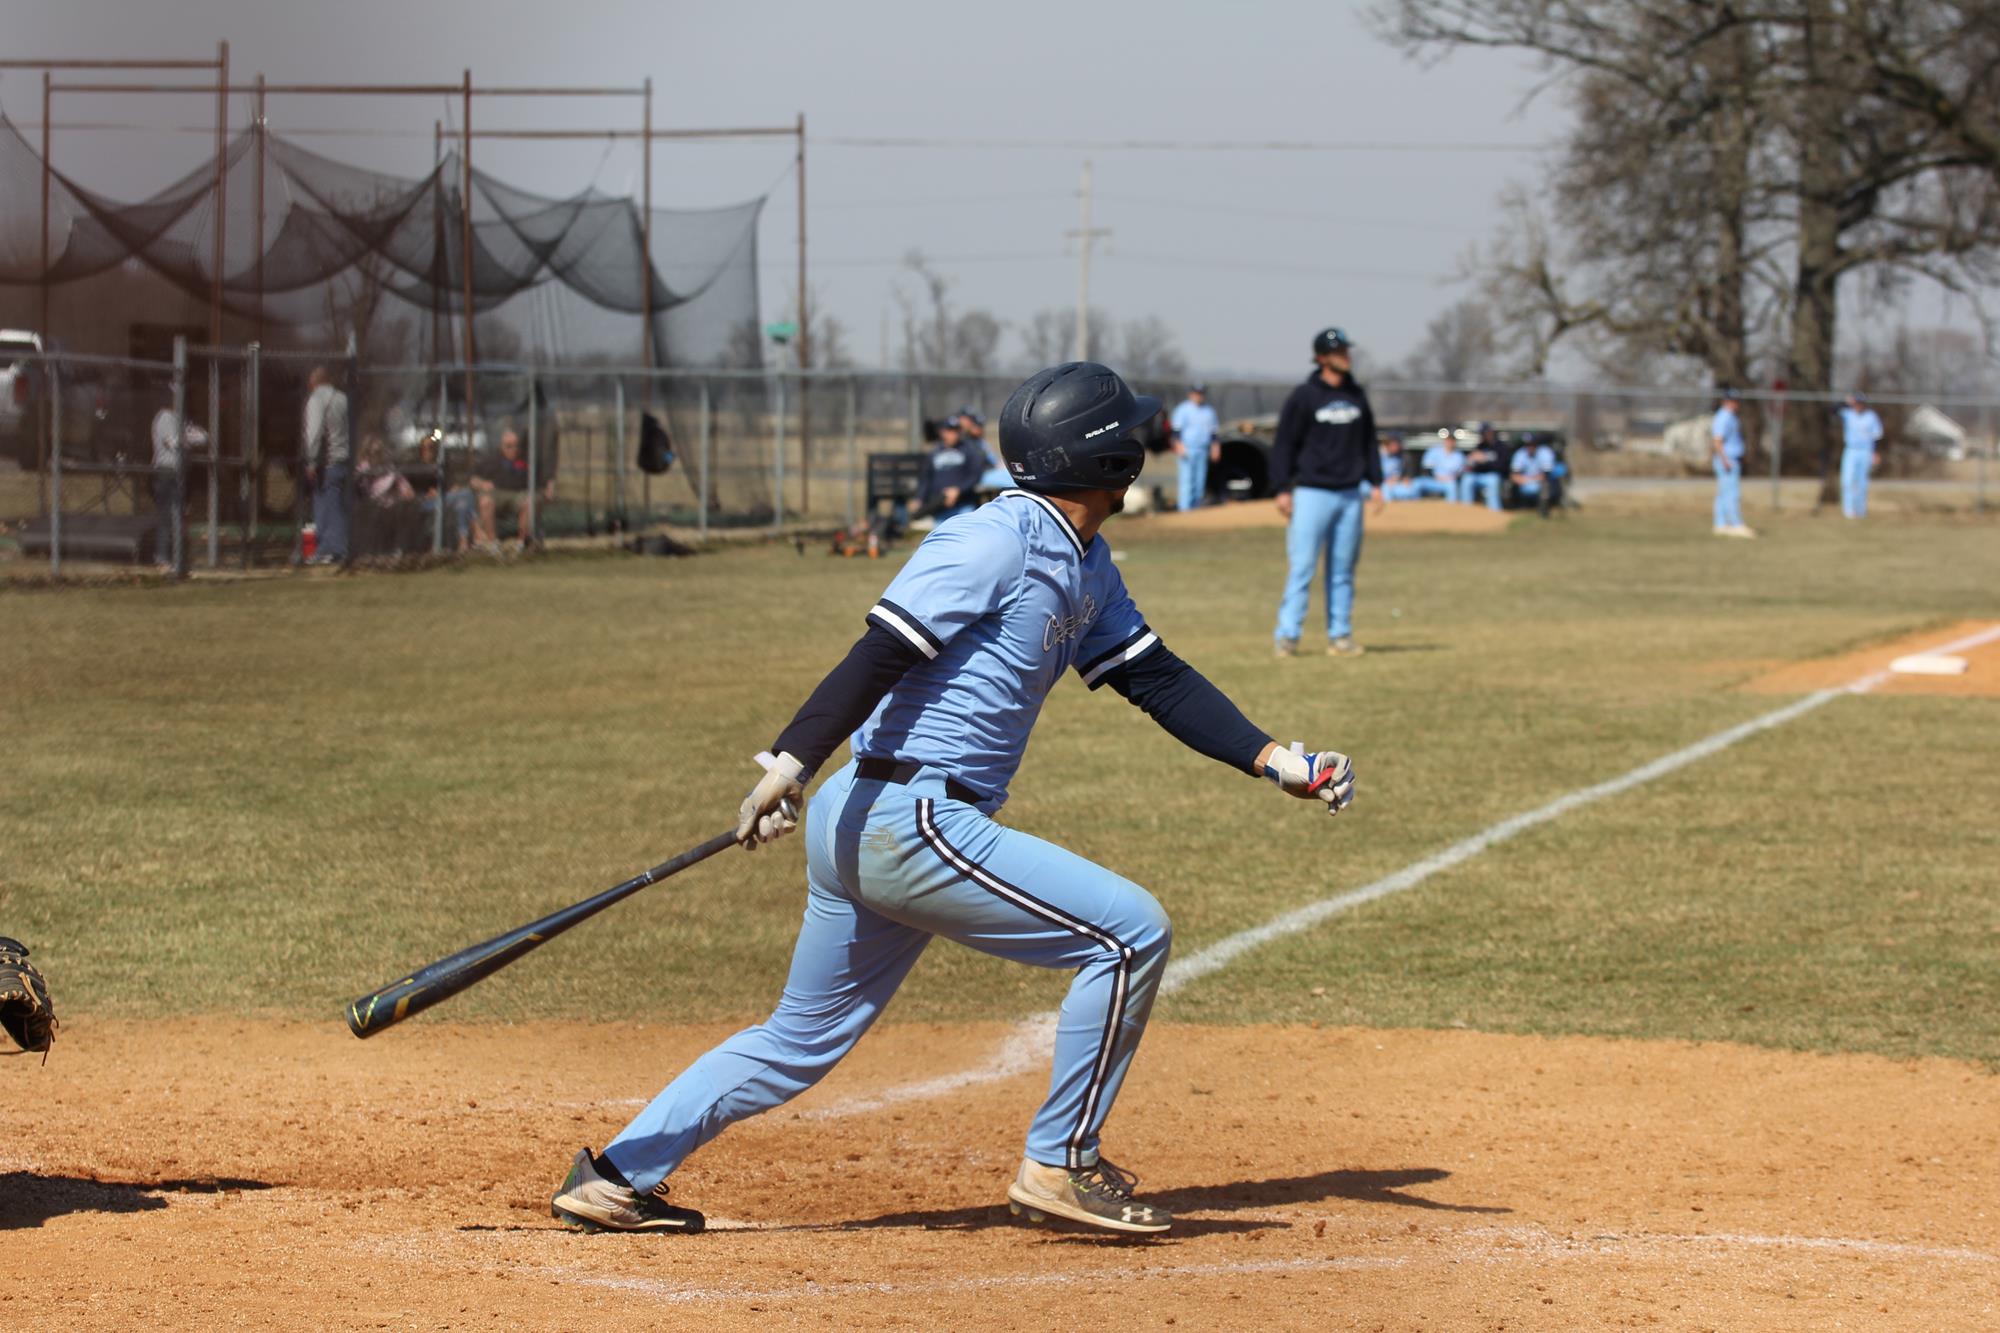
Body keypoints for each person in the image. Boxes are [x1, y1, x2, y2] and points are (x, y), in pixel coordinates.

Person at [548, 361, 1358, 1238]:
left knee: (797, 1039)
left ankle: (613, 1176)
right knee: (1131, 935)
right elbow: (882, 649)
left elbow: (1154, 676)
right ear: (1108, 457)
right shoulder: (995, 539)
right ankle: (1062, 1163)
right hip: (910, 819)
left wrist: (1274, 758)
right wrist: (791, 759)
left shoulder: (1086, 561)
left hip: (883, 816)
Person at [1270, 326, 1383, 658]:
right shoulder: (1304, 396)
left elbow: (1369, 441)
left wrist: (1376, 482)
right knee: (1302, 567)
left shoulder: (1355, 394)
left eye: (1346, 350)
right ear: (1321, 358)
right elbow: (1284, 443)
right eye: (1338, 352)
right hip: (1311, 492)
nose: (1346, 356)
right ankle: (1288, 636)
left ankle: (1340, 635)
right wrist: (1282, 487)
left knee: (1343, 570)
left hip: (1350, 493)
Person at [301, 366, 353, 565]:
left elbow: (314, 433)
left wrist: (311, 461)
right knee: (339, 506)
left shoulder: (316, 399)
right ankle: (338, 547)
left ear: (313, 382)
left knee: (325, 506)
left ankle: (329, 550)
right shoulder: (343, 398)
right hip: (345, 458)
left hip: (327, 462)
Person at [149, 397, 208, 570]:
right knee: (166, 516)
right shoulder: (165, 416)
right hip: (165, 472)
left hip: (182, 474)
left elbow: (204, 437)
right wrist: (187, 438)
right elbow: (172, 442)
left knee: (181, 515)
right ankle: (162, 558)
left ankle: (179, 559)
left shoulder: (183, 419)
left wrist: (185, 438)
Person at [472, 428, 534, 551]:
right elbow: (473, 479)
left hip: (517, 494)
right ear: (502, 446)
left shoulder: (525, 459)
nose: (513, 449)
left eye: (516, 446)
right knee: (485, 502)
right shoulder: (490, 460)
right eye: (509, 446)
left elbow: (535, 480)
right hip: (495, 493)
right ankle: (492, 543)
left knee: (529, 502)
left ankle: (521, 543)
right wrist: (482, 484)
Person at [1169, 383, 1221, 511]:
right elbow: (1176, 432)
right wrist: (1179, 446)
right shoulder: (1183, 409)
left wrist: (1215, 448)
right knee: (1187, 481)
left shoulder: (1209, 411)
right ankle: (1184, 509)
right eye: (1196, 393)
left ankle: (1196, 509)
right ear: (1191, 394)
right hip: (1187, 448)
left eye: (1201, 393)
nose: (1199, 396)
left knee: (1200, 481)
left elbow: (1214, 434)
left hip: (1203, 449)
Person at [1711, 388, 1754, 538]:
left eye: (1737, 401)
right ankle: (1736, 524)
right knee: (1732, 493)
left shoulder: (1730, 416)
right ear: (1726, 401)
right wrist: (1725, 460)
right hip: (1728, 460)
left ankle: (1721, 523)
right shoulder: (1724, 417)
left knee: (1724, 493)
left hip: (1729, 459)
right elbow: (1717, 441)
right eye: (1733, 401)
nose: (1736, 404)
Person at [921, 415, 981, 522]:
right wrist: (919, 498)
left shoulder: (968, 450)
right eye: (949, 431)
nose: (953, 434)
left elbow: (975, 475)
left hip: (963, 506)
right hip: (940, 507)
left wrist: (959, 490)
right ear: (942, 432)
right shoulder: (935, 452)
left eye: (955, 431)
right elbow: (926, 478)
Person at [1838, 392, 1883, 519]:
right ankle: (1849, 510)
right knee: (1848, 480)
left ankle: (1860, 510)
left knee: (1862, 482)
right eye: (1856, 403)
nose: (1858, 406)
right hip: (1851, 449)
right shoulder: (1848, 414)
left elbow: (1876, 436)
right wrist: (1846, 402)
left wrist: (1875, 453)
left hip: (1866, 450)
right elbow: (1832, 409)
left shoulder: (1871, 416)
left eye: (1860, 403)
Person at [1508, 433, 1562, 518]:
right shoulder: (1520, 453)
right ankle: (1515, 507)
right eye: (1527, 445)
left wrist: (1528, 479)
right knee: (1509, 485)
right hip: (1524, 483)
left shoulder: (1545, 452)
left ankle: (1543, 510)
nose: (1530, 447)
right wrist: (1521, 480)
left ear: (1536, 444)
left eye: (1532, 444)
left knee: (1545, 485)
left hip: (1540, 483)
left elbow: (1545, 475)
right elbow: (1513, 475)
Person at [1460, 423, 1505, 511]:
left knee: (1493, 480)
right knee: (1467, 479)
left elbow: (1503, 467)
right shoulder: (1480, 446)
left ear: (1491, 433)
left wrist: (1485, 461)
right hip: (1479, 475)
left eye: (1486, 433)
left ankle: (1494, 510)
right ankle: (1466, 509)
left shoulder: (1501, 447)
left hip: (1494, 475)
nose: (1484, 435)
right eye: (1483, 433)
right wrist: (1471, 461)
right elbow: (1472, 465)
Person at [1415, 429, 1465, 500]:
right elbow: (1426, 468)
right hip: (1432, 479)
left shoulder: (1459, 455)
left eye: (1452, 440)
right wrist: (1436, 476)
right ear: (1444, 440)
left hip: (1449, 482)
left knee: (1452, 486)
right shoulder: (1434, 450)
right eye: (1448, 440)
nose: (1450, 442)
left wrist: (1449, 478)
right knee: (1416, 483)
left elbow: (1460, 473)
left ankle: (1452, 506)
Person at [1374, 434, 1420, 502]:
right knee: (1385, 489)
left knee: (1413, 489)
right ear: (1387, 445)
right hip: (1380, 484)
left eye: (1397, 445)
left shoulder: (1403, 456)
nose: (1396, 447)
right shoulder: (1379, 454)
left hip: (1396, 484)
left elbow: (1406, 474)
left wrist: (1404, 478)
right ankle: (1389, 507)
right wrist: (1382, 481)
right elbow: (1373, 472)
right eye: (1393, 445)